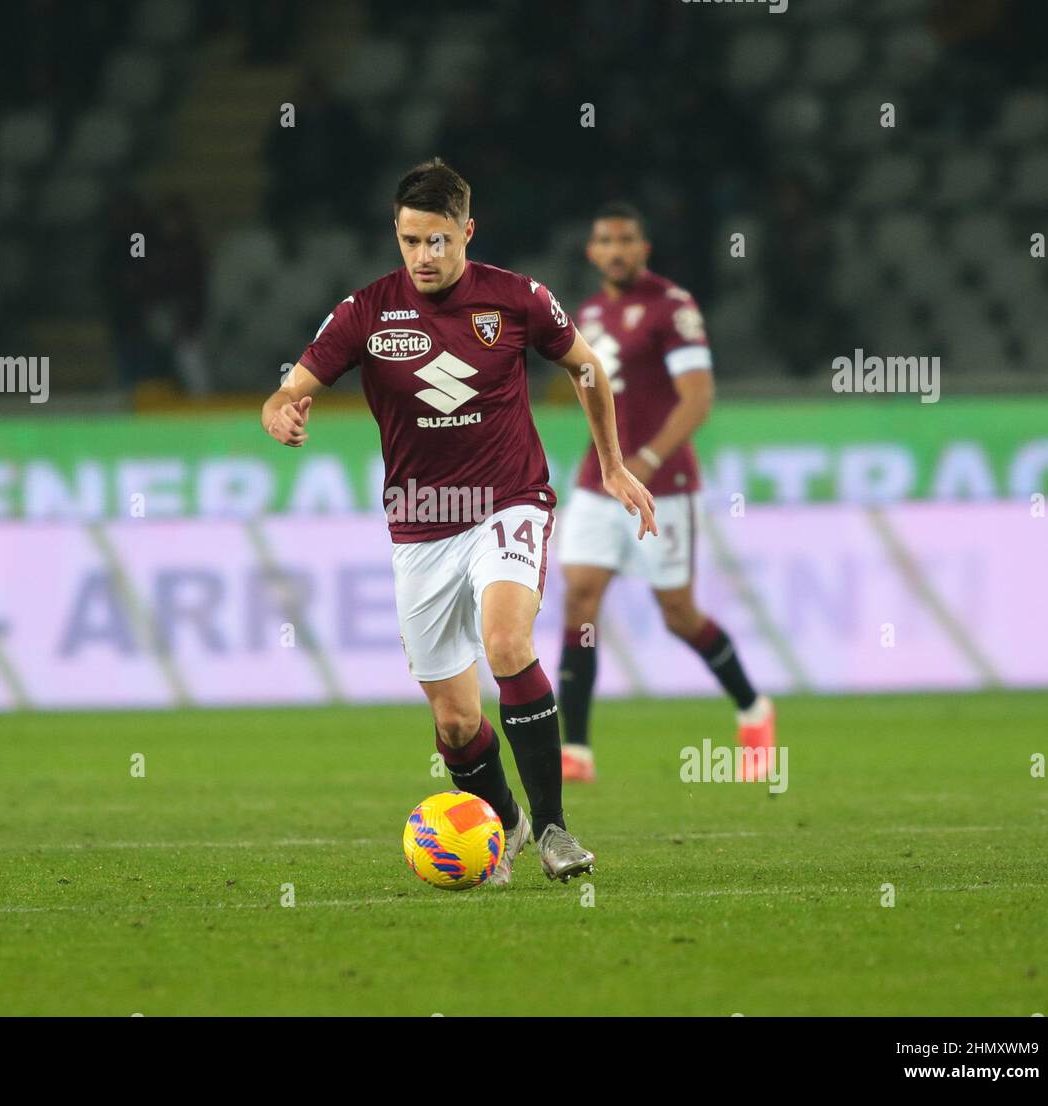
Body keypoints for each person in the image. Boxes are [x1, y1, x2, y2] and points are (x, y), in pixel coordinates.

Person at [260, 160, 656, 883]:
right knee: (454, 723)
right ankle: (501, 824)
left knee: (507, 639)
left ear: (467, 232)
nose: (425, 257)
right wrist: (281, 410)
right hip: (419, 525)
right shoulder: (365, 312)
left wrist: (613, 463)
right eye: (412, 241)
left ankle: (556, 834)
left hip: (509, 501)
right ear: (397, 233)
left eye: (439, 241)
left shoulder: (517, 299)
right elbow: (289, 387)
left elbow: (589, 369)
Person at [556, 202, 775, 783]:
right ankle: (574, 750)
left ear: (643, 248)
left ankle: (754, 708)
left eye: (627, 239)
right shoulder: (590, 313)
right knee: (579, 598)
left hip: (662, 484)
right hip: (597, 481)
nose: (617, 249)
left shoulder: (671, 309)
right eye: (606, 240)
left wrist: (648, 458)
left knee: (677, 613)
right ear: (592, 252)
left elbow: (698, 397)